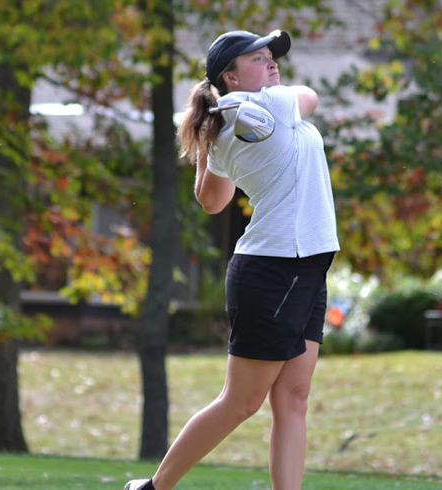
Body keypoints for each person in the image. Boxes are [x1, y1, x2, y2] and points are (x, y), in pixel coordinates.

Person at [124, 28, 339, 490]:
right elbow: (312, 96)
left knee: (294, 398)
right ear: (230, 76)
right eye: (258, 59)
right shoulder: (267, 108)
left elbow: (211, 200)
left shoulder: (233, 122)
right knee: (241, 402)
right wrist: (211, 132)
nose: (272, 64)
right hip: (275, 269)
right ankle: (155, 488)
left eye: (271, 57)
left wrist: (209, 137)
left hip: (307, 264)